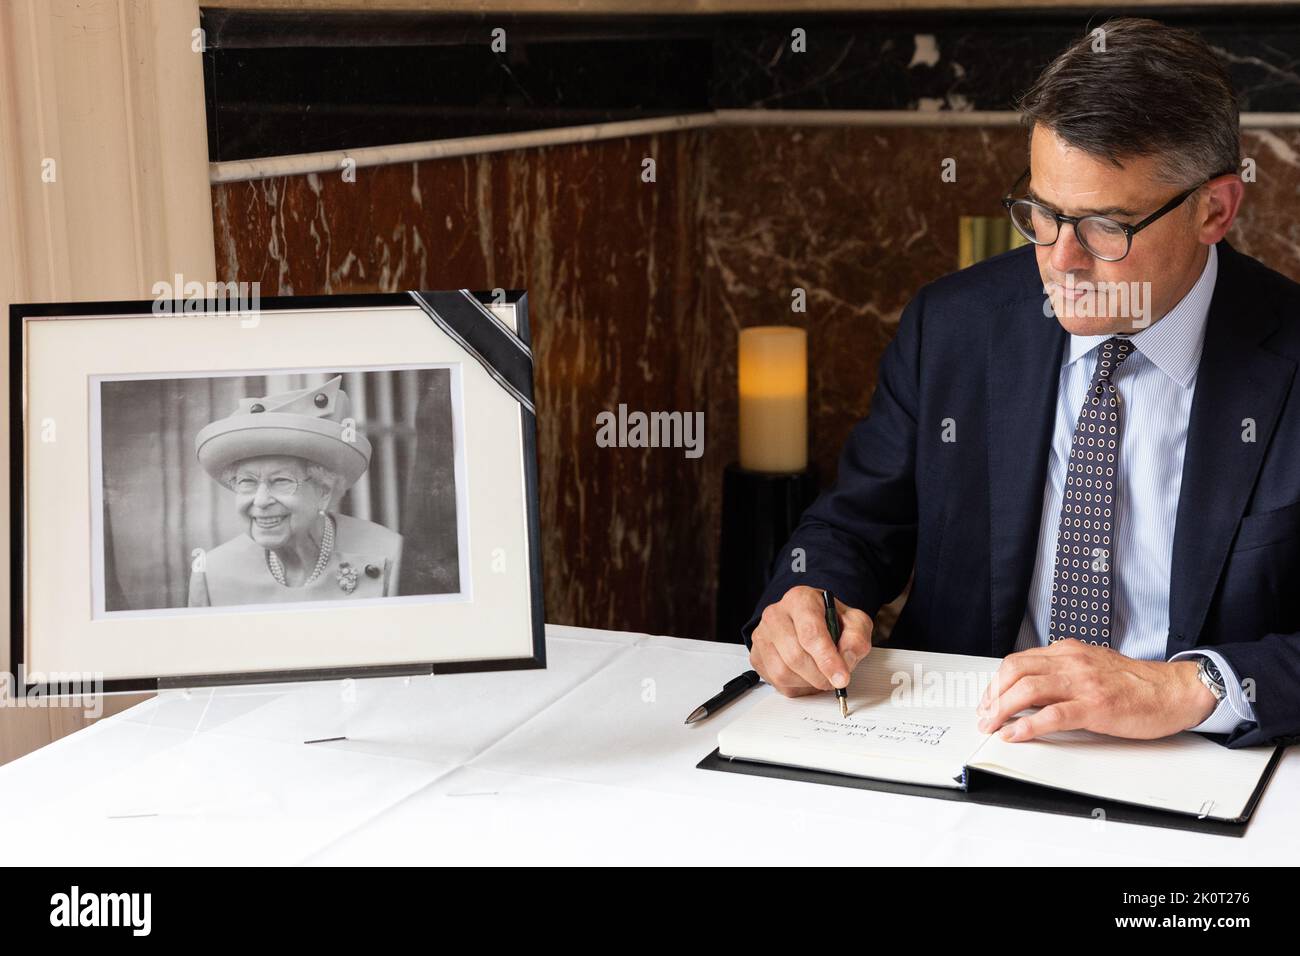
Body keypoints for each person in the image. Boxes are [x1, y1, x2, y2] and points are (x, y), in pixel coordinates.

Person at [744, 18, 1300, 749]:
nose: (1060, 260)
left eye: (1106, 225)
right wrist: (806, 599)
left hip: (1196, 760)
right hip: (958, 738)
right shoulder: (955, 325)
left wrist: (1187, 686)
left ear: (1215, 210)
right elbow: (854, 526)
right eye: (1041, 212)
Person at [189, 375, 402, 605]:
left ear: (323, 492)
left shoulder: (391, 555)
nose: (260, 501)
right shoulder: (212, 574)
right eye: (247, 482)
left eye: (281, 481)